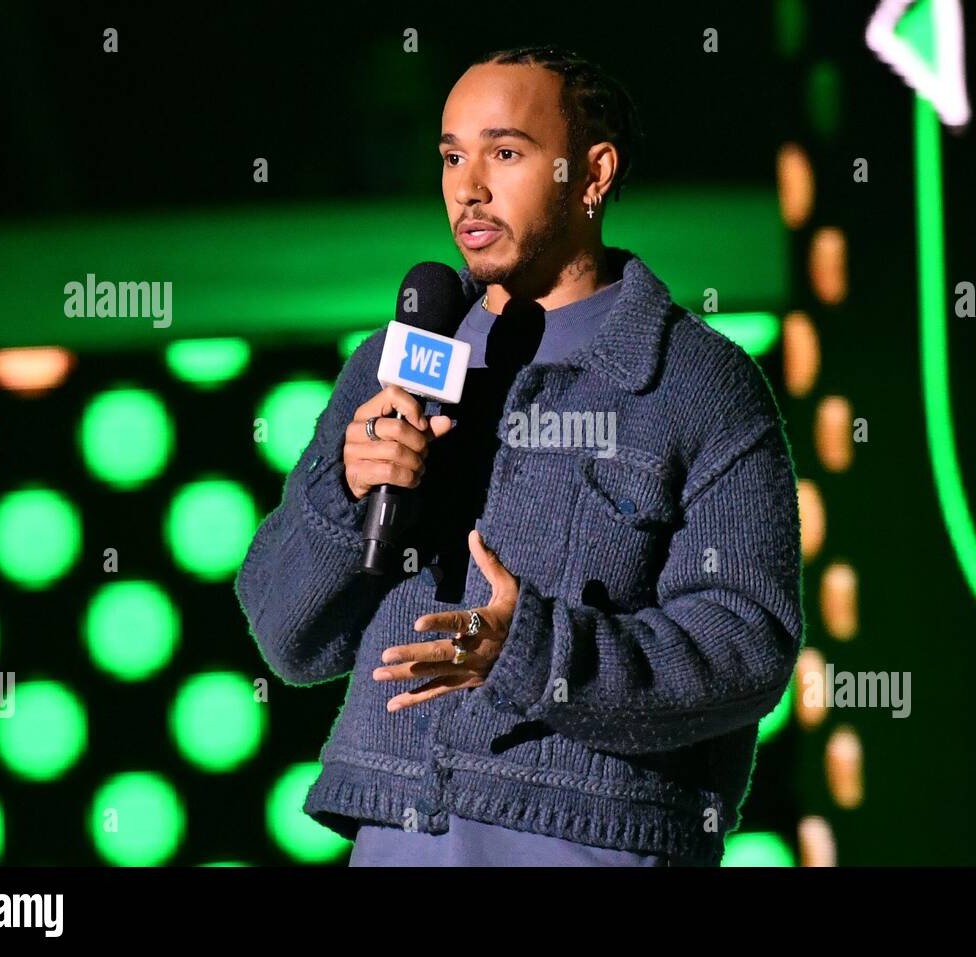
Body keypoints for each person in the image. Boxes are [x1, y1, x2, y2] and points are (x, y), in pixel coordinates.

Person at [234, 44, 804, 867]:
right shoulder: (395, 362)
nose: (468, 186)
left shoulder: (694, 383)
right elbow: (288, 638)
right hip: (397, 845)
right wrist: (348, 495)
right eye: (451, 156)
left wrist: (536, 652)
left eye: (505, 153)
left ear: (595, 173)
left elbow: (747, 645)